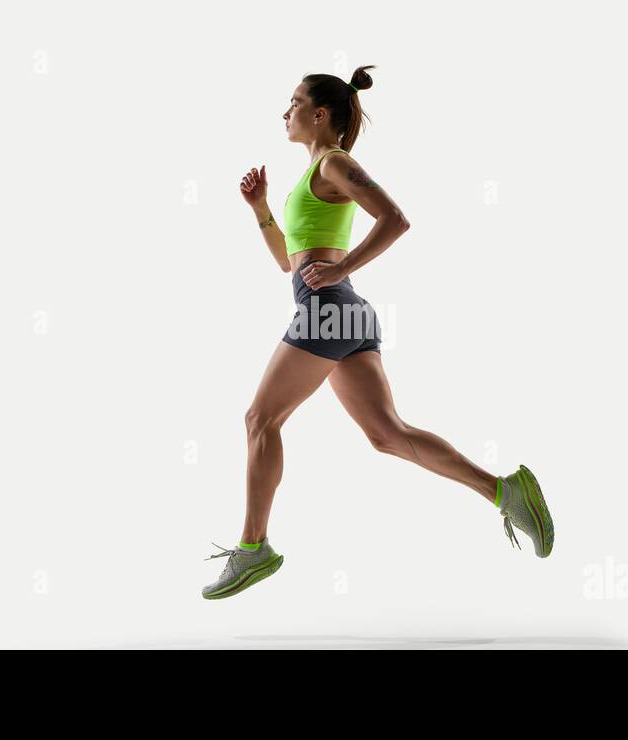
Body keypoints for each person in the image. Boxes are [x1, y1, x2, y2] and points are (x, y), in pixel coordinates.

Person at [202, 65, 553, 600]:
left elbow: (394, 218)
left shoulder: (335, 162)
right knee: (388, 434)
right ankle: (505, 492)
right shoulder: (314, 173)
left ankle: (253, 548)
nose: (285, 111)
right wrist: (262, 211)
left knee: (259, 419)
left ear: (319, 114)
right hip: (345, 314)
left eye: (293, 102)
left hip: (328, 309)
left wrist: (341, 270)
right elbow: (287, 263)